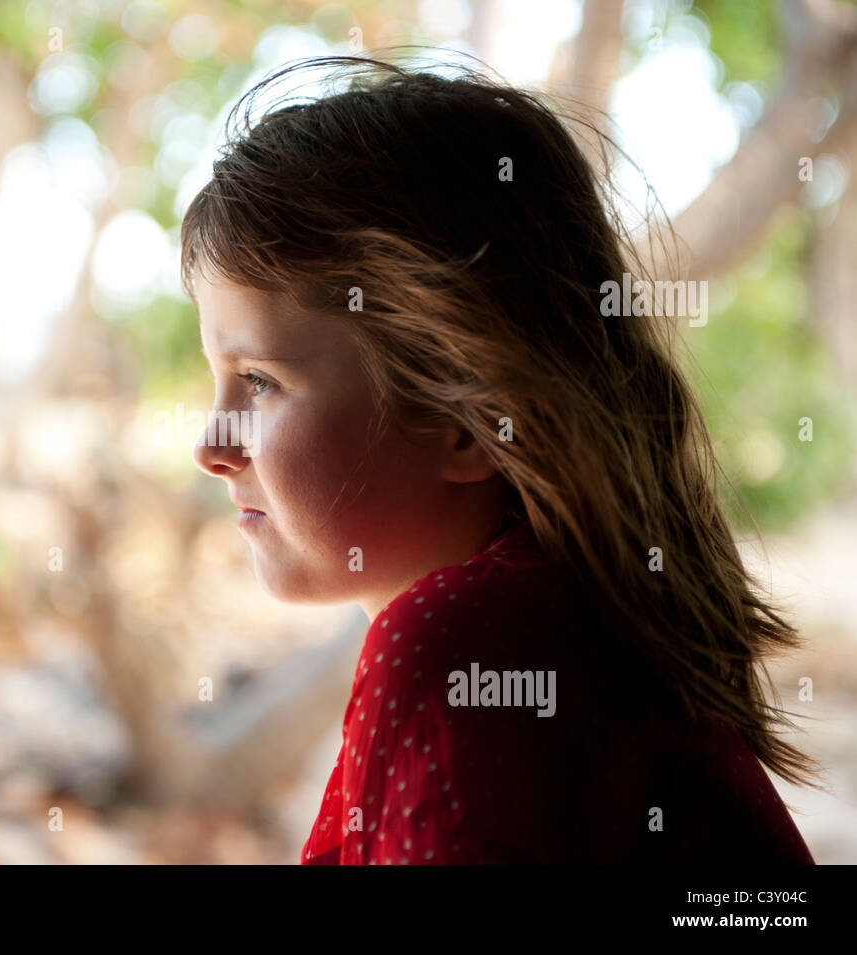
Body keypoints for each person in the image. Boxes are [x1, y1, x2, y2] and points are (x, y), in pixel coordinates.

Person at [181, 52, 819, 864]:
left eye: (260, 381)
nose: (208, 444)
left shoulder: (461, 646)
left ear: (468, 420)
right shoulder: (567, 627)